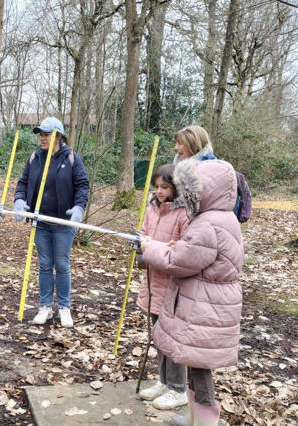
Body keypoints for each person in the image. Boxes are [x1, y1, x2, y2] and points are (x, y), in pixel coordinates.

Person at [140, 159, 243, 426]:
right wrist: (180, 245)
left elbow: (179, 262)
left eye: (191, 191)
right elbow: (196, 253)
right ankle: (195, 415)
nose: (186, 197)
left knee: (199, 366)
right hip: (208, 301)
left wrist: (152, 248)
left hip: (205, 304)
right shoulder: (222, 218)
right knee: (196, 362)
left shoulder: (208, 223)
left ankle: (205, 420)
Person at [13, 117, 89, 328]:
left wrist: (79, 207)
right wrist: (19, 199)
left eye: (46, 134)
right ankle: (45, 306)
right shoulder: (35, 158)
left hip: (63, 222)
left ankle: (64, 307)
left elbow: (82, 185)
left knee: (62, 264)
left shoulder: (71, 158)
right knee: (45, 264)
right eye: (41, 134)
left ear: (59, 136)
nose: (42, 138)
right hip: (40, 221)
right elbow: (23, 182)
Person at [136, 164, 191, 411]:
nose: (159, 191)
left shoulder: (183, 213)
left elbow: (182, 250)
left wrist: (155, 248)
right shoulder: (151, 208)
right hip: (152, 281)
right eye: (156, 187)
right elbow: (144, 234)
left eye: (165, 187)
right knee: (158, 335)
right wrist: (141, 244)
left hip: (173, 286)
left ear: (176, 188)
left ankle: (178, 388)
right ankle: (163, 381)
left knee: (172, 337)